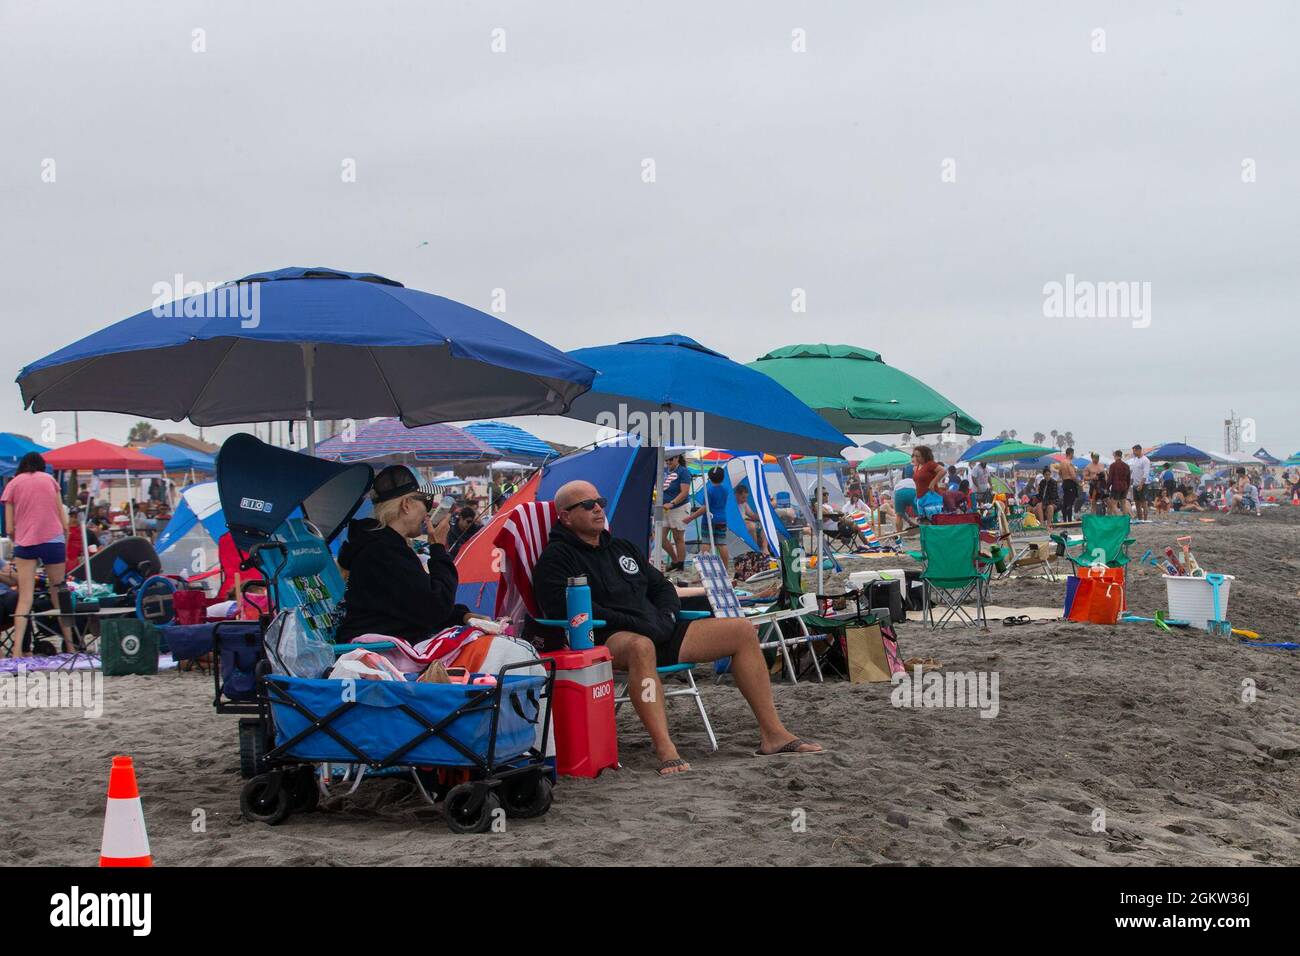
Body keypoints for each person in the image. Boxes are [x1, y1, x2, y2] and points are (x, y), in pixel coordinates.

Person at [532, 480, 822, 776]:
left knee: (741, 630)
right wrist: (642, 624)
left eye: (600, 502)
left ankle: (774, 734)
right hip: (607, 638)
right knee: (640, 647)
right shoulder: (556, 559)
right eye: (587, 505)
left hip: (658, 628)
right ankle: (665, 747)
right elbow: (566, 610)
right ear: (565, 516)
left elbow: (662, 587)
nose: (597, 509)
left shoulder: (621, 547)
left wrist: (667, 617)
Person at [334, 465, 478, 644]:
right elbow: (435, 606)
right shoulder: (384, 552)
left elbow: (413, 603)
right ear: (406, 505)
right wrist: (439, 549)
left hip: (385, 650)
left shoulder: (379, 546)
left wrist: (461, 615)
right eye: (427, 501)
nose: (428, 511)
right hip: (383, 657)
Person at [0, 452, 75, 657]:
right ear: (42, 466)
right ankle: (70, 646)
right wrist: (64, 543)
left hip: (25, 544)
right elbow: (64, 520)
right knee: (58, 594)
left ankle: (17, 651)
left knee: (25, 597)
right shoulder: (50, 480)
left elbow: (9, 527)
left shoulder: (13, 484)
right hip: (53, 541)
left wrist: (18, 544)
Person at [684, 466, 731, 569]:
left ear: (709, 478)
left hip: (709, 520)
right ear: (723, 478)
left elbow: (705, 508)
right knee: (722, 544)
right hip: (722, 519)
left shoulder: (709, 491)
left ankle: (705, 568)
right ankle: (726, 568)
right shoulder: (726, 489)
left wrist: (690, 518)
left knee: (706, 543)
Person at [660, 453, 692, 572]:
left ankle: (680, 564)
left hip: (679, 507)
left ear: (677, 458)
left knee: (678, 537)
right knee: (660, 537)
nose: (668, 462)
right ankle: (674, 561)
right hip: (663, 508)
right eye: (666, 459)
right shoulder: (663, 470)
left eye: (670, 459)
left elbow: (684, 492)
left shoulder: (683, 472)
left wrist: (672, 503)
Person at [733, 484, 767, 555]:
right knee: (751, 526)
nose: (745, 500)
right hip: (737, 525)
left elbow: (753, 515)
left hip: (746, 523)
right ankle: (754, 549)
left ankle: (765, 548)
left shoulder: (744, 504)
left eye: (746, 497)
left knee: (765, 525)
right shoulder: (732, 504)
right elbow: (734, 519)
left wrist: (764, 517)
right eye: (743, 497)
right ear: (736, 495)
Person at [1126, 444, 1152, 520]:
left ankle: (1145, 519)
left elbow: (1146, 473)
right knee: (1137, 503)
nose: (1134, 452)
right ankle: (1140, 518)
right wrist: (1130, 483)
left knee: (1144, 502)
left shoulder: (1145, 460)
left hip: (1143, 484)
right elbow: (1133, 473)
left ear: (1139, 450)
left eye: (1134, 451)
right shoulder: (1135, 460)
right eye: (1133, 451)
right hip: (1135, 484)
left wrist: (1141, 484)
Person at [1107, 450, 1132, 516]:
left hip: (1116, 487)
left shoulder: (1113, 465)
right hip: (1124, 486)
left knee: (1113, 504)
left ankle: (1118, 518)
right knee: (1123, 504)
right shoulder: (1126, 466)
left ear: (1115, 456)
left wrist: (1106, 487)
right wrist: (1127, 488)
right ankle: (1125, 520)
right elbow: (1128, 479)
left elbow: (1110, 479)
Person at [1058, 448, 1080, 522]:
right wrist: (1078, 483)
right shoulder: (1069, 463)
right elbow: (1073, 476)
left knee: (1065, 502)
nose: (1073, 455)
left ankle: (1064, 520)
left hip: (1065, 482)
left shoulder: (1062, 462)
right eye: (1073, 454)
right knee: (1070, 502)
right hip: (1070, 483)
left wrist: (1064, 478)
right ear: (1070, 453)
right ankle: (1070, 520)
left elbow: (1059, 473)